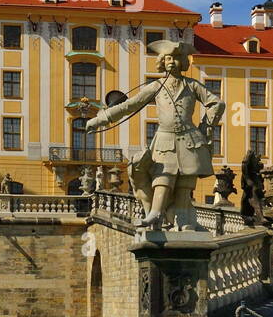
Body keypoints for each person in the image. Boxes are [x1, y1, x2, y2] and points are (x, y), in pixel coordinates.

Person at [86, 40, 224, 230]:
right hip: (165, 139)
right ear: (162, 61)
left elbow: (217, 104)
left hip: (190, 140)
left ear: (183, 62)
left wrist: (205, 128)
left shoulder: (192, 85)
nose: (171, 62)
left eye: (176, 58)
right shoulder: (156, 86)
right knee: (163, 177)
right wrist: (101, 119)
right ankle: (155, 213)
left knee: (185, 183)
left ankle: (184, 220)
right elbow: (129, 105)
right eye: (168, 58)